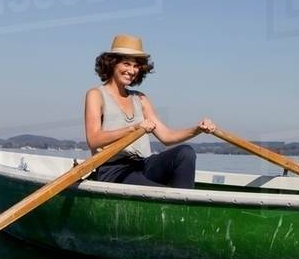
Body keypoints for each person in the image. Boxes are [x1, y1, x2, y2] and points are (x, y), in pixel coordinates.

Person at [85, 34, 216, 189]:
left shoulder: (140, 99)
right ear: (112, 64)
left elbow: (167, 137)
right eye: (126, 64)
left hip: (142, 165)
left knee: (185, 153)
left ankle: (184, 205)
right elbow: (94, 139)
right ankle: (174, 203)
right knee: (159, 191)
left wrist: (197, 129)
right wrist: (133, 128)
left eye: (136, 66)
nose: (132, 70)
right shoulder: (96, 95)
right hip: (114, 170)